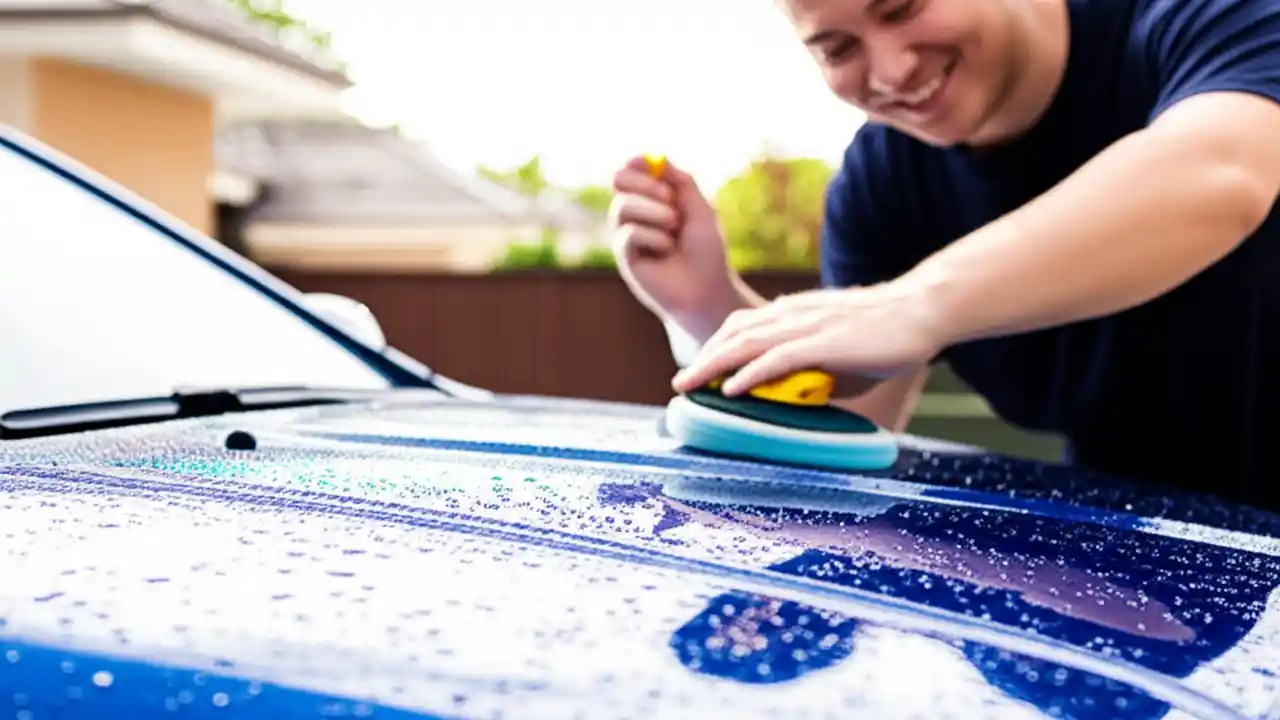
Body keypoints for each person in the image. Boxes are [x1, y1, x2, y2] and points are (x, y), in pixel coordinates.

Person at [607, 0, 1280, 509]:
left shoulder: (1206, 17)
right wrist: (708, 308)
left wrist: (916, 303)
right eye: (839, 49)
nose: (893, 70)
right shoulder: (881, 185)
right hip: (1155, 566)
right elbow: (858, 424)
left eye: (903, 7)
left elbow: (1222, 172)